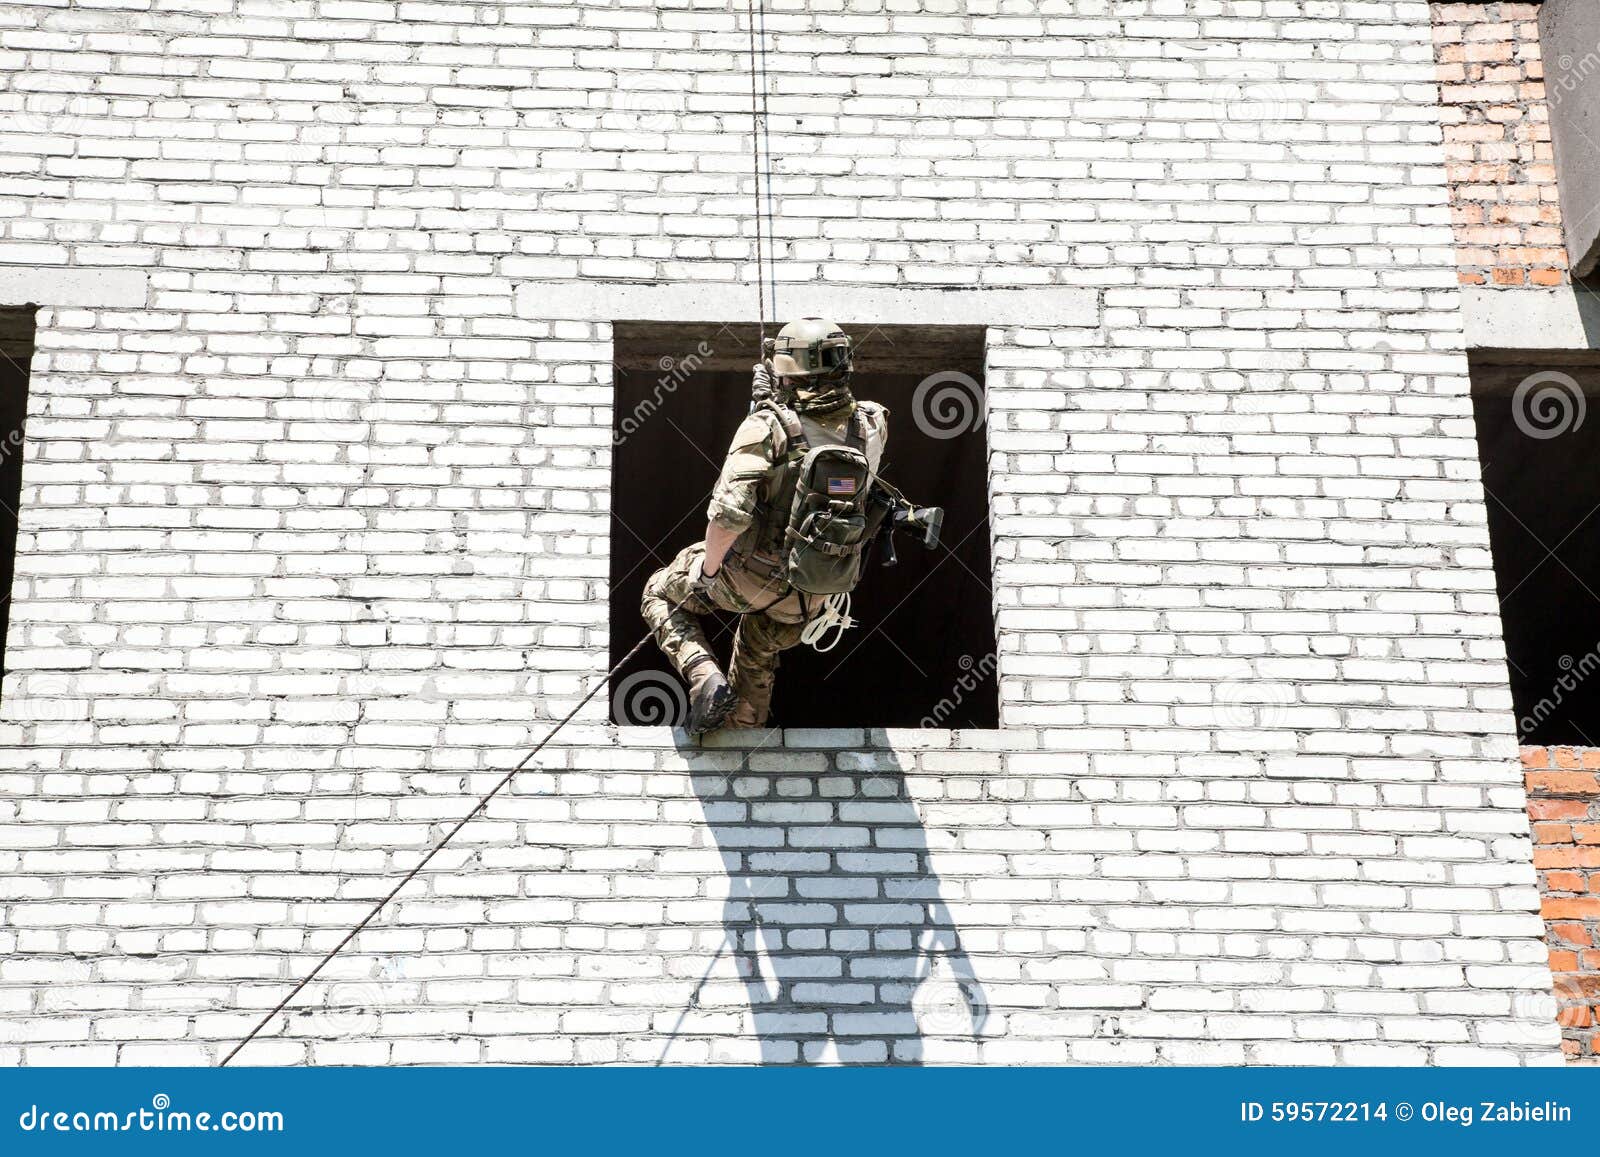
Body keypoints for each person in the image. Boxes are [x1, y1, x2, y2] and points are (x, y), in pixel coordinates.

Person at [641, 317, 888, 734]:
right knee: (757, 646)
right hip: (814, 594)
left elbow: (728, 515)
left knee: (660, 590)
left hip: (751, 579)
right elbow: (825, 468)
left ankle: (704, 678)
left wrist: (709, 572)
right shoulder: (873, 425)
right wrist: (777, 405)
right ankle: (742, 732)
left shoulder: (766, 428)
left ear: (788, 371)